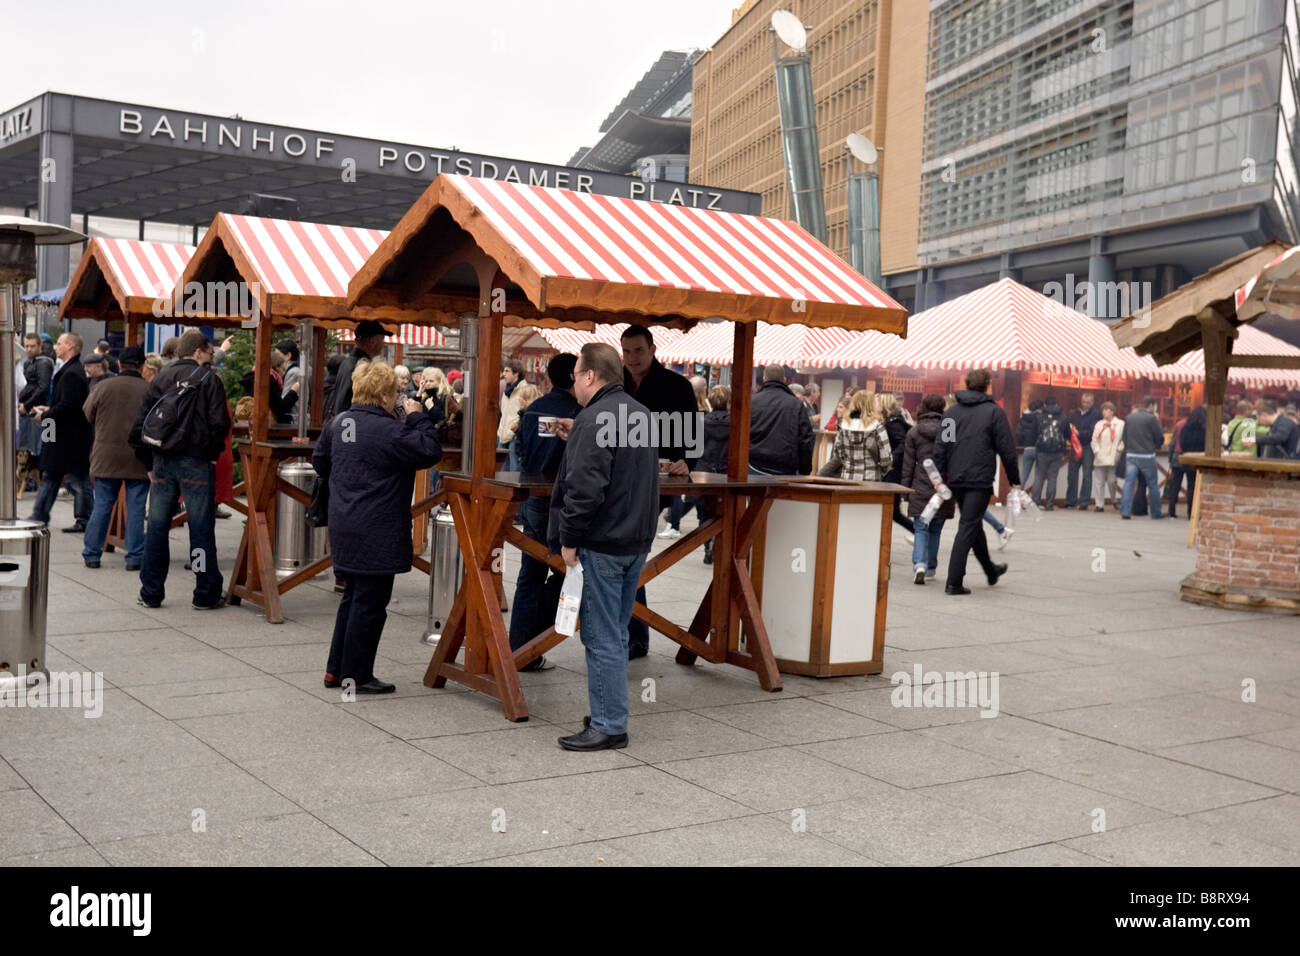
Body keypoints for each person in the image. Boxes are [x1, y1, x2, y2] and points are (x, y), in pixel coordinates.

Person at [549, 343, 658, 751]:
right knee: (614, 630)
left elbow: (585, 489)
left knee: (602, 636)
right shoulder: (641, 414)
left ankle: (610, 723)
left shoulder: (593, 418)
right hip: (633, 541)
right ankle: (607, 712)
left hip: (602, 542)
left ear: (591, 376)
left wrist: (569, 538)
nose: (574, 382)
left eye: (577, 375)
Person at [313, 361, 441, 694]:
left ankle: (336, 671)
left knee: (353, 596)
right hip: (377, 526)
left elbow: (320, 462)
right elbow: (429, 450)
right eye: (396, 392)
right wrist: (416, 415)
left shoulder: (338, 423)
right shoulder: (390, 431)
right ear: (384, 394)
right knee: (369, 602)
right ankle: (356, 675)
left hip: (344, 521)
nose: (399, 396)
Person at [131, 330, 232, 609]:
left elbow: (140, 425)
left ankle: (151, 591)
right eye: (210, 354)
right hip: (196, 461)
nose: (211, 359)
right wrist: (211, 454)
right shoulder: (208, 380)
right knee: (200, 529)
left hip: (162, 460)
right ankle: (205, 591)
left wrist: (148, 463)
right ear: (198, 351)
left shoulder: (160, 378)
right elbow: (219, 423)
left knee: (157, 527)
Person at [620, 324, 697, 657]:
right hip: (615, 482)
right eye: (626, 351)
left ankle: (634, 635)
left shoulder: (676, 385)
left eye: (638, 350)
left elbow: (692, 436)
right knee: (624, 559)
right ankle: (625, 633)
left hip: (654, 483)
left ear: (652, 349)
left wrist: (685, 461)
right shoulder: (614, 384)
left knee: (631, 557)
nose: (632, 358)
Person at [509, 353, 582, 670]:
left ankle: (520, 648)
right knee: (572, 573)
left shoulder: (532, 410)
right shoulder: (579, 412)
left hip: (535, 499)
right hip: (566, 502)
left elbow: (521, 453)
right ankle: (533, 642)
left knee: (530, 572)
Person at [932, 368, 1019, 595]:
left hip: (956, 478)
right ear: (987, 386)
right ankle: (954, 582)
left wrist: (939, 478)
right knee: (968, 526)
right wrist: (1014, 479)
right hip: (979, 479)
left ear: (967, 384)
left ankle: (991, 570)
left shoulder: (951, 414)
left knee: (973, 523)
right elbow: (1007, 449)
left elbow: (941, 447)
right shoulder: (993, 413)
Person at [80, 347, 150, 570]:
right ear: (142, 366)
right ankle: (134, 557)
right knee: (136, 508)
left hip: (105, 455)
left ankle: (92, 554)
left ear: (119, 364)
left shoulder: (103, 386)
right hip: (138, 456)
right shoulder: (149, 389)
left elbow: (87, 413)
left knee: (101, 505)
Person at [26, 332, 93, 532]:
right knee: (52, 475)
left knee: (77, 479)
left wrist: (46, 415)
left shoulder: (73, 373)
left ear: (71, 347)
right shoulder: (68, 370)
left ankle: (85, 518)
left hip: (69, 438)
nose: (56, 346)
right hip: (60, 435)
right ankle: (39, 515)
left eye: (61, 343)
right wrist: (48, 411)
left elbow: (69, 406)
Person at [902, 394, 955, 584]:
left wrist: (905, 489)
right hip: (943, 485)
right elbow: (954, 457)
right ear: (942, 408)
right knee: (936, 528)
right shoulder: (949, 430)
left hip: (921, 484)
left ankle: (920, 564)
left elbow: (908, 463)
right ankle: (931, 566)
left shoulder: (914, 432)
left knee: (921, 527)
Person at [749, 364, 814, 476]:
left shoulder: (752, 402)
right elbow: (805, 439)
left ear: (764, 379)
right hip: (785, 467)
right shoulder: (796, 404)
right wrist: (805, 470)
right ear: (784, 380)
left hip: (754, 465)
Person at [698, 385, 731, 565]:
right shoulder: (735, 423)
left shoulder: (702, 421)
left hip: (704, 471)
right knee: (725, 512)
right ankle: (719, 545)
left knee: (704, 513)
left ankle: (706, 545)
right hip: (726, 471)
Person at [327, 320, 387, 418]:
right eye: (382, 340)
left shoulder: (348, 362)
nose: (383, 344)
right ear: (373, 341)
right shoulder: (361, 366)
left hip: (345, 422)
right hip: (352, 424)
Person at [1119, 396, 1165, 520]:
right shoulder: (1151, 418)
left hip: (1131, 454)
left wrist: (1130, 447)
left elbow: (1124, 436)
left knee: (1128, 483)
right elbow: (1159, 436)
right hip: (1147, 455)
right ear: (1151, 405)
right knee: (1152, 484)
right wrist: (1156, 445)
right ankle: (1156, 512)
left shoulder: (1129, 417)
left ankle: (1125, 510)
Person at [832, 389, 892, 480]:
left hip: (847, 479)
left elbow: (837, 454)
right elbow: (885, 460)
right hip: (871, 480)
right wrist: (880, 470)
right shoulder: (878, 428)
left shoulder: (842, 427)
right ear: (870, 405)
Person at [878, 393, 915, 539]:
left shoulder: (893, 423)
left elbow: (902, 442)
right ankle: (920, 534)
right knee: (893, 512)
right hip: (893, 470)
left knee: (893, 512)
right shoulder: (892, 420)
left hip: (892, 472)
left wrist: (890, 460)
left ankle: (920, 534)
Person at [17, 333, 54, 476]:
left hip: (40, 410)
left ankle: (41, 478)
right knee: (30, 446)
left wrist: (26, 405)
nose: (29, 349)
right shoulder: (29, 362)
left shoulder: (43, 362)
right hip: (31, 409)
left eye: (32, 346)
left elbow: (42, 387)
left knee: (41, 447)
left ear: (39, 346)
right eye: (26, 346)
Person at [241, 348, 299, 425]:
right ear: (276, 367)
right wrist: (293, 392)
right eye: (283, 369)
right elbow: (281, 408)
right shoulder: (268, 381)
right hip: (266, 427)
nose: (283, 373)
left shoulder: (253, 378)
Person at [1032, 395, 1069, 510]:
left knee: (1039, 476)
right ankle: (1049, 504)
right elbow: (1067, 433)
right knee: (1052, 478)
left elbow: (1034, 432)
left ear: (1045, 405)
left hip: (1042, 451)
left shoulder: (1039, 416)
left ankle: (1035, 503)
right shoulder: (1063, 417)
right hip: (1057, 451)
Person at [1169, 405, 1207, 516]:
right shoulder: (1204, 429)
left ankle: (1172, 510)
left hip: (1180, 456)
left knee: (1175, 484)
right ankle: (1191, 511)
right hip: (1195, 459)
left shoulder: (1184, 426)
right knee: (1192, 485)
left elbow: (1179, 442)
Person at [1066, 393, 1100, 509]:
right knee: (1071, 474)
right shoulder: (1076, 413)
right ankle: (1071, 500)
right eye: (1083, 402)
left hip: (1087, 447)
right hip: (1075, 446)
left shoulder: (1096, 414)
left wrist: (1079, 433)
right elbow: (1069, 425)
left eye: (1088, 402)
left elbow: (1093, 431)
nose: (1085, 404)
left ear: (1092, 402)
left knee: (1087, 475)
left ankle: (1084, 502)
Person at [1090, 401, 1125, 512]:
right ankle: (1099, 504)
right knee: (1099, 481)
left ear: (1112, 411)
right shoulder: (1099, 424)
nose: (1104, 412)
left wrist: (1118, 451)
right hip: (1100, 456)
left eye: (1106, 409)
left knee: (1112, 480)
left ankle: (1114, 499)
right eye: (1103, 410)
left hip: (1114, 456)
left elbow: (1123, 440)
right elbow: (1094, 440)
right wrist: (1097, 452)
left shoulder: (1121, 424)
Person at [497, 358, 527, 470]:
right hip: (503, 433)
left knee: (514, 470)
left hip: (515, 434)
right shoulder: (507, 390)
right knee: (501, 469)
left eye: (507, 371)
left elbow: (526, 411)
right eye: (504, 371)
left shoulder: (524, 389)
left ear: (516, 373)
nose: (503, 374)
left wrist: (518, 424)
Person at [1015, 399, 1043, 494]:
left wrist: (1024, 442)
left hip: (1027, 448)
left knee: (1024, 475)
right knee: (1038, 476)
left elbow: (1018, 433)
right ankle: (1035, 499)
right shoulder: (1041, 418)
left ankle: (1018, 496)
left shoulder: (1024, 418)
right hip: (1039, 449)